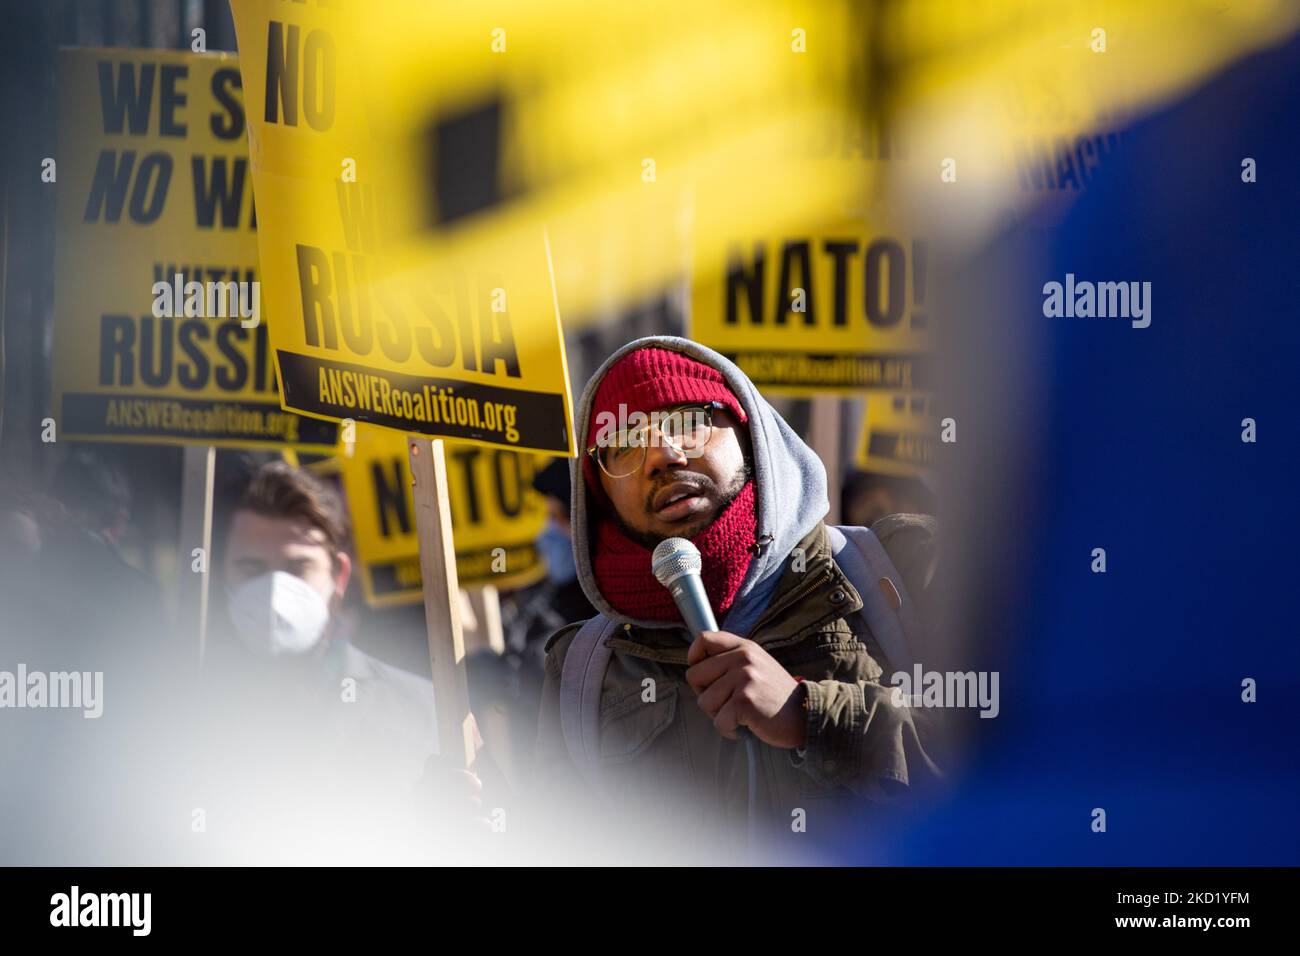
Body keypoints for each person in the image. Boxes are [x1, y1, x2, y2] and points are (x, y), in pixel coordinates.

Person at [530, 337, 944, 860]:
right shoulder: (581, 673)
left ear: (748, 430)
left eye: (686, 419)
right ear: (599, 493)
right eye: (624, 443)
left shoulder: (905, 570)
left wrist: (811, 716)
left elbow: (1033, 764)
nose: (661, 454)